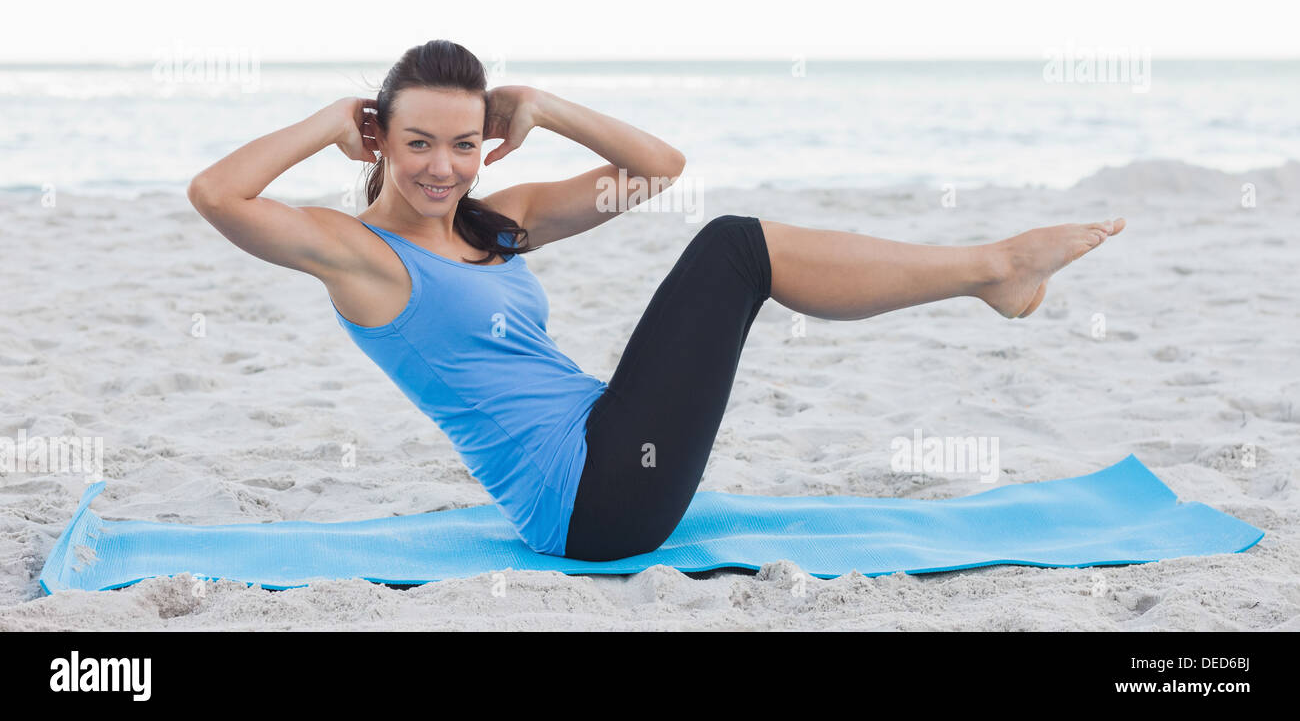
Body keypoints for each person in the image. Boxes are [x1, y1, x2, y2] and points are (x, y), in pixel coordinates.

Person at [187, 40, 1125, 561]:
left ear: (487, 146)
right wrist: (325, 123)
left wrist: (546, 107)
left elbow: (657, 171)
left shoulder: (501, 221)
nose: (443, 167)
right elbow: (217, 195)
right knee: (734, 250)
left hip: (607, 453)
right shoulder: (362, 258)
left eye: (464, 143)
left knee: (731, 245)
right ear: (381, 142)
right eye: (419, 143)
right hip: (595, 503)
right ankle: (991, 272)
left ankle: (991, 273)